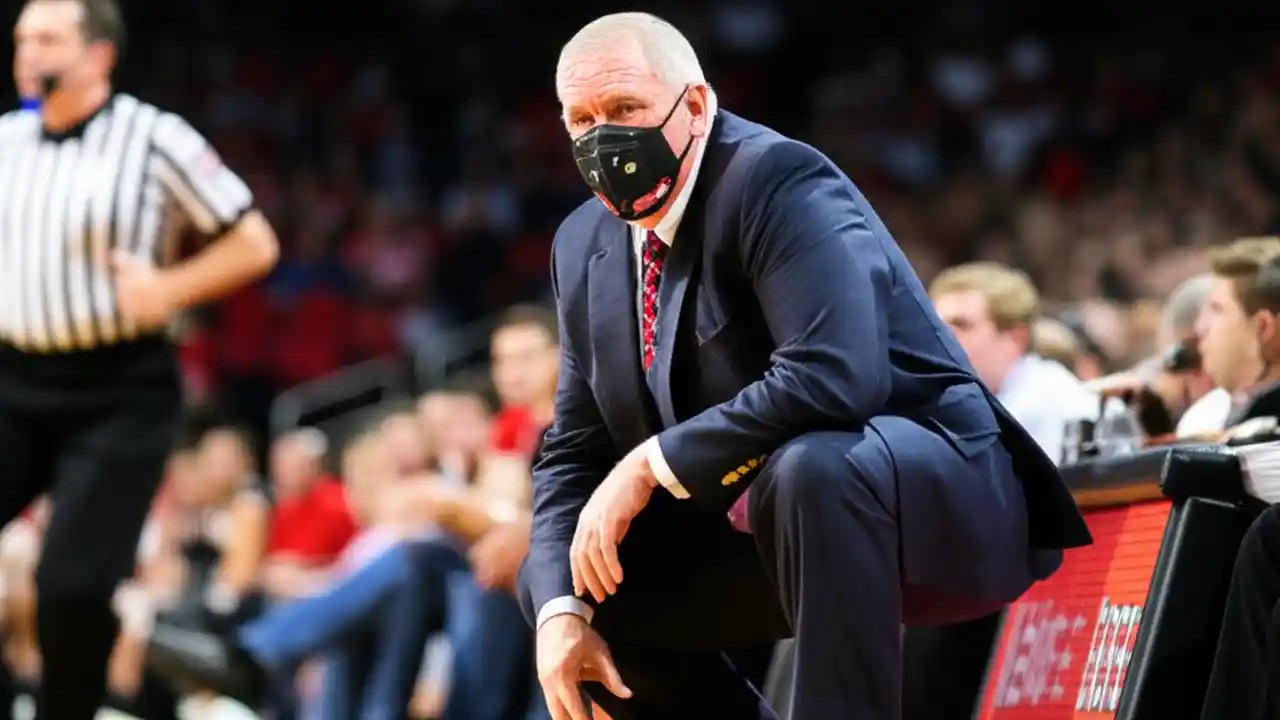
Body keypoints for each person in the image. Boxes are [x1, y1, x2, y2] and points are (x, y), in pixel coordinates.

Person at [523, 12, 1090, 720]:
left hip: (929, 491)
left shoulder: (775, 179)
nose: (604, 138)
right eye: (582, 119)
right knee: (579, 572)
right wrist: (557, 612)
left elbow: (835, 375)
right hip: (759, 520)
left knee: (811, 467)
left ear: (695, 106)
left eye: (626, 109)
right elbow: (571, 450)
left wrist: (647, 463)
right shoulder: (581, 242)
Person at [0, 0, 279, 716]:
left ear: (98, 56)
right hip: (15, 379)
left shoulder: (154, 137)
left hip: (118, 388)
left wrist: (169, 288)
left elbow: (255, 243)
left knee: (70, 585)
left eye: (48, 38)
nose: (27, 51)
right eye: (22, 37)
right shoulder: (7, 139)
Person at [930, 262, 1097, 464]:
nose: (943, 338)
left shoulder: (1044, 398)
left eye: (962, 325)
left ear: (1016, 339)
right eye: (937, 326)